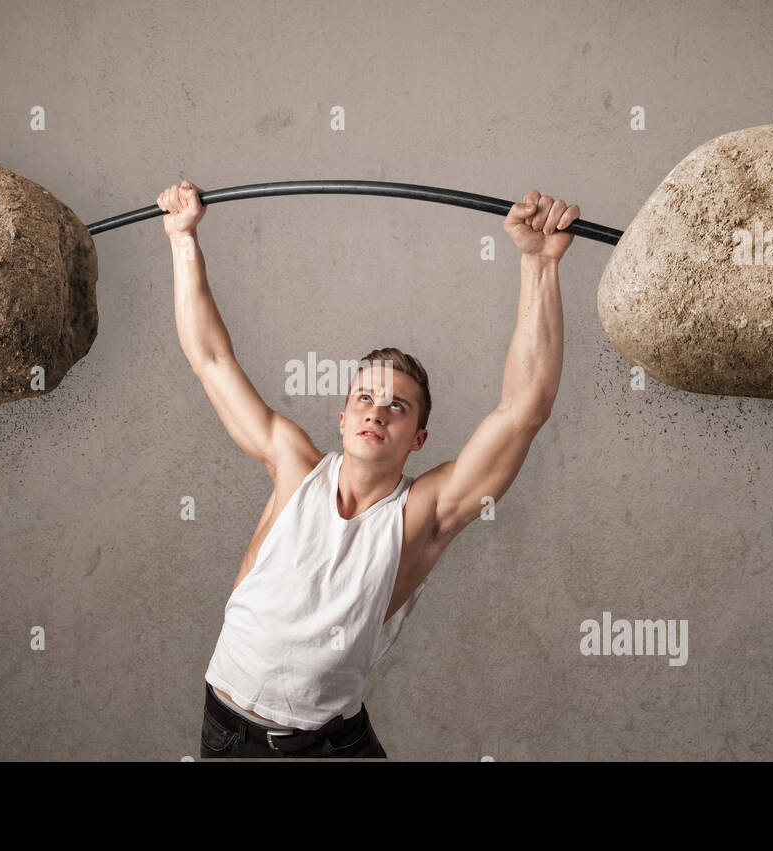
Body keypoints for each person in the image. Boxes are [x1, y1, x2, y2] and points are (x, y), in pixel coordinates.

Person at [158, 179, 576, 758]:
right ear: (342, 416)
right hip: (229, 733)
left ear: (418, 438)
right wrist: (182, 237)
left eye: (396, 406)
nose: (376, 412)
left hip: (330, 745)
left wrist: (538, 265)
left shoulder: (424, 516)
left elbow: (523, 410)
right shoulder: (293, 466)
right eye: (364, 399)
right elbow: (210, 358)